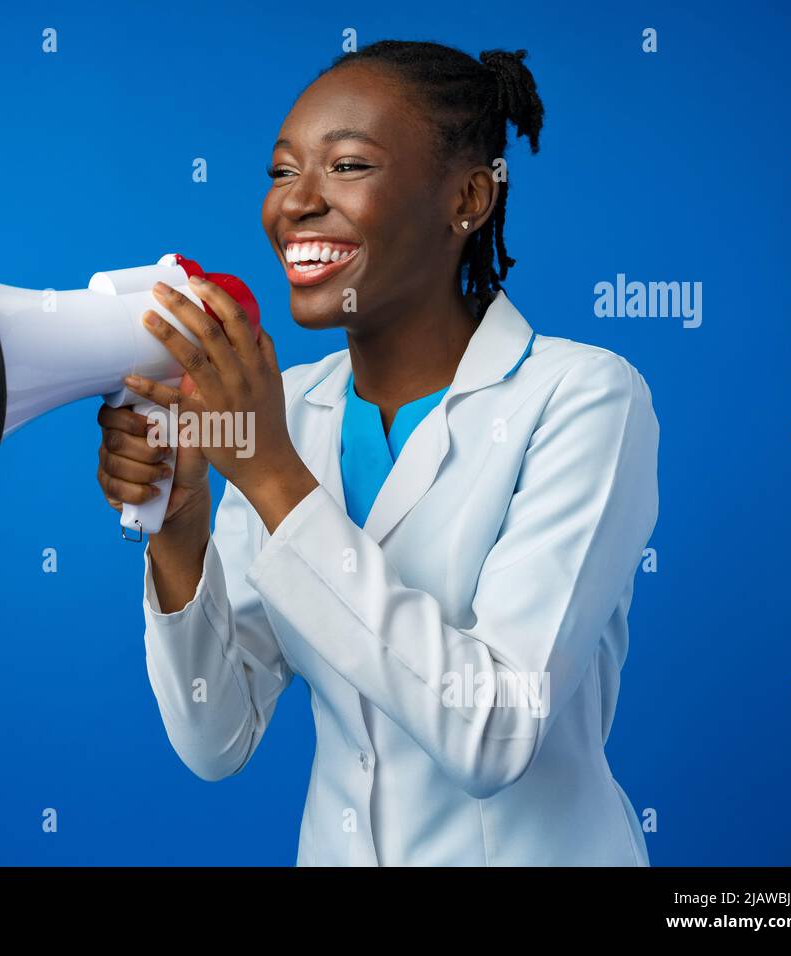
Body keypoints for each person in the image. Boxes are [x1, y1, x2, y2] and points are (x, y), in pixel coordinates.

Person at [96, 40, 658, 866]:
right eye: (282, 171)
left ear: (467, 197)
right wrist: (181, 529)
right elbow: (216, 738)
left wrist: (273, 475)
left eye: (348, 165)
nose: (297, 203)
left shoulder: (585, 399)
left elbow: (495, 732)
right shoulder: (290, 407)